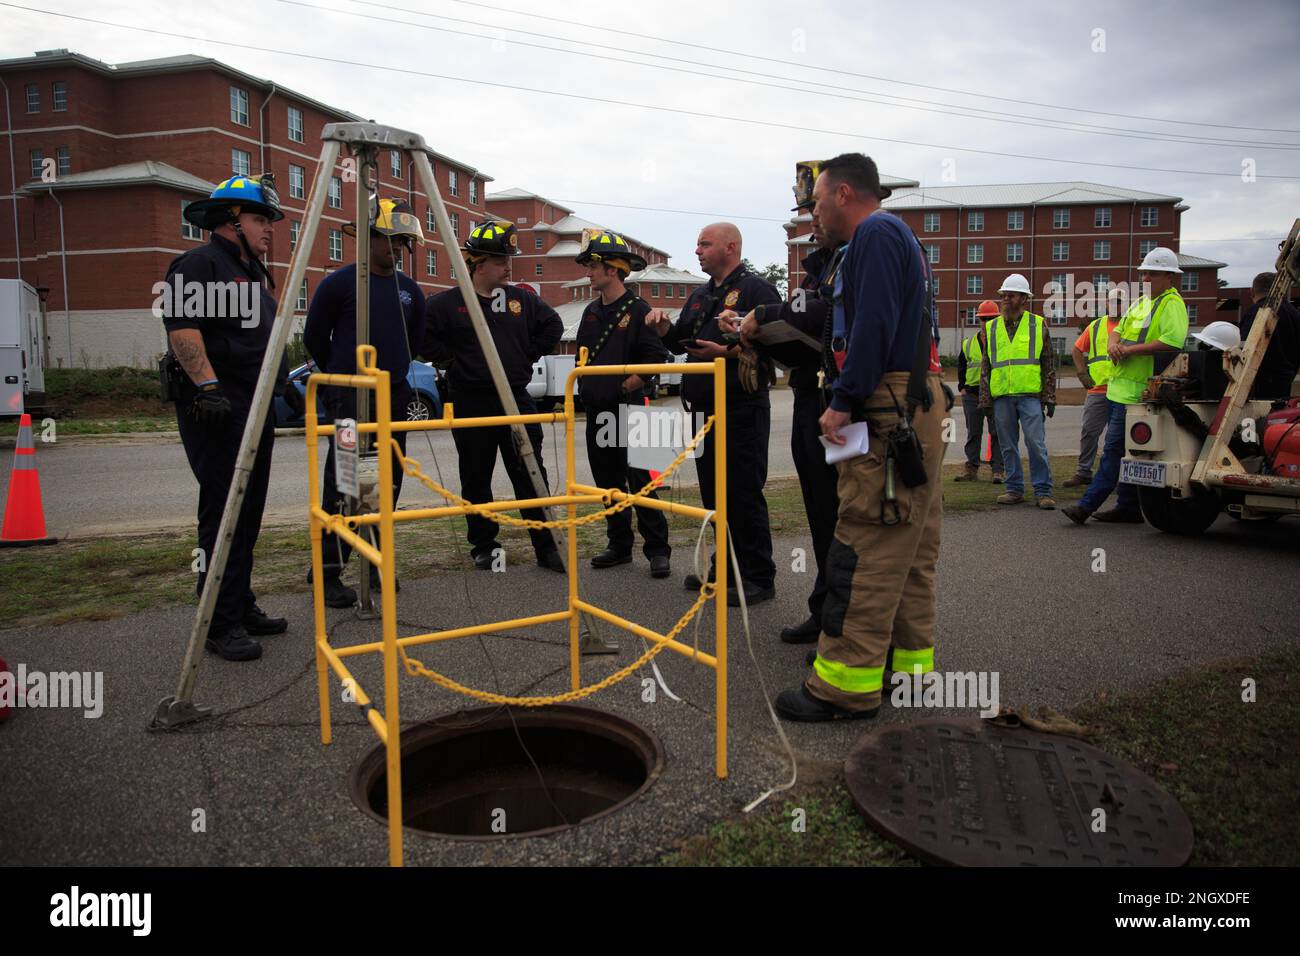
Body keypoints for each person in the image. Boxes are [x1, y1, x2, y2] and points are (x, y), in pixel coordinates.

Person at [773, 152, 945, 722]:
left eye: (817, 200)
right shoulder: (897, 237)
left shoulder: (872, 234)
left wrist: (843, 401)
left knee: (865, 542)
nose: (812, 213)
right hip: (914, 399)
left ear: (844, 194)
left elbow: (871, 324)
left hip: (885, 404)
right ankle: (910, 671)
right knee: (910, 546)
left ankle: (844, 687)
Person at [162, 174, 288, 661]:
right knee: (224, 509)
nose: (269, 229)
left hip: (255, 406)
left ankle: (238, 602)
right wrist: (209, 387)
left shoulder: (250, 269)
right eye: (260, 219)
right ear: (231, 221)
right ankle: (218, 621)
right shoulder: (199, 264)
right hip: (218, 408)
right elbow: (184, 331)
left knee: (249, 508)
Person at [733, 160, 843, 641]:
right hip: (809, 398)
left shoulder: (856, 256)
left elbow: (823, 314)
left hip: (841, 407)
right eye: (803, 212)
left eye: (813, 209)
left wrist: (761, 314)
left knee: (844, 521)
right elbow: (804, 328)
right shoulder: (822, 264)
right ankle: (825, 610)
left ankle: (842, 623)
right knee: (821, 516)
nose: (809, 221)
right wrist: (755, 335)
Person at [646, 222, 782, 606]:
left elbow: (774, 346)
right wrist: (664, 329)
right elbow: (680, 341)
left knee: (742, 492)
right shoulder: (701, 294)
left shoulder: (756, 290)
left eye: (704, 244)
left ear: (730, 247)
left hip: (742, 406)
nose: (697, 251)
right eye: (697, 244)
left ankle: (757, 576)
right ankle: (724, 568)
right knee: (714, 494)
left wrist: (726, 354)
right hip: (705, 409)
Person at [420, 221, 565, 571]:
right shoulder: (445, 304)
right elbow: (423, 340)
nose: (508, 267)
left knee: (531, 472)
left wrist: (525, 355)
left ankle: (548, 546)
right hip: (472, 400)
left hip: (516, 397)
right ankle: (485, 546)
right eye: (501, 260)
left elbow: (553, 326)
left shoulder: (521, 300)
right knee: (476, 476)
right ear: (479, 263)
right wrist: (454, 360)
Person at [304, 198, 427, 607]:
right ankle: (328, 570)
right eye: (389, 241)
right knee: (347, 483)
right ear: (369, 238)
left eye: (402, 243)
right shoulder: (339, 284)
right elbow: (315, 338)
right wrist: (342, 377)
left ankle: (376, 562)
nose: (396, 250)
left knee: (386, 485)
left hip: (393, 397)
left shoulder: (409, 291)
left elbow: (416, 339)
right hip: (350, 398)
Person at [1062, 247, 1189, 525]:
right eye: (1143, 273)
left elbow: (1171, 342)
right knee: (1130, 453)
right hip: (1119, 390)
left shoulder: (1172, 304)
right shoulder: (1142, 302)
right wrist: (1112, 345)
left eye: (1152, 274)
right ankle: (1129, 506)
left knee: (1114, 450)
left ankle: (1086, 506)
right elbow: (1118, 329)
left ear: (1169, 277)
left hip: (1138, 393)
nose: (1145, 278)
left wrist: (1129, 351)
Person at [573, 230, 672, 578]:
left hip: (630, 409)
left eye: (593, 265)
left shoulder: (638, 309)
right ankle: (619, 546)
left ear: (612, 269)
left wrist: (624, 387)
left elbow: (655, 359)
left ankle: (658, 550)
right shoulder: (589, 312)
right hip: (597, 412)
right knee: (608, 483)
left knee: (642, 483)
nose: (588, 272)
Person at [979, 273, 1057, 509]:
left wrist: (1049, 396)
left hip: (1029, 396)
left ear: (1024, 299)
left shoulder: (1037, 324)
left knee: (1036, 443)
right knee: (1007, 446)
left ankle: (1043, 491)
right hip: (1002, 396)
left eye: (1011, 296)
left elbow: (1048, 363)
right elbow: (986, 365)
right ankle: (1014, 489)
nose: (1006, 300)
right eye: (1004, 295)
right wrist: (985, 400)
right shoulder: (991, 328)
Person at [1063, 289, 1123, 488]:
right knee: (1089, 432)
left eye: (1120, 301)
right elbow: (1077, 350)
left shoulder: (1133, 325)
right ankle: (1084, 472)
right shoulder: (1096, 326)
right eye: (1112, 301)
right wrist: (1082, 374)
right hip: (1098, 391)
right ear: (1106, 303)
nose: (1115, 305)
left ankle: (1120, 476)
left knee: (1119, 438)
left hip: (1124, 390)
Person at [954, 299, 1004, 483]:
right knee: (973, 433)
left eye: (991, 318)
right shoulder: (968, 344)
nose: (987, 322)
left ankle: (998, 470)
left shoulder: (1002, 342)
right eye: (984, 319)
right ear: (979, 321)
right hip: (972, 395)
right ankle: (971, 469)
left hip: (995, 395)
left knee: (997, 433)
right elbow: (961, 365)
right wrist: (962, 387)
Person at [1240, 271, 1300, 398]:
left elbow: (1244, 349)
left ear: (1252, 292)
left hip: (1259, 385)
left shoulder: (1255, 312)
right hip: (1286, 382)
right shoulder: (1294, 314)